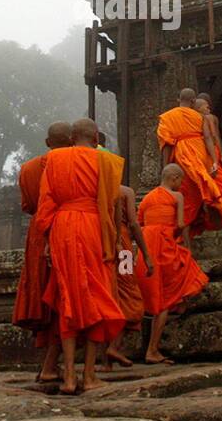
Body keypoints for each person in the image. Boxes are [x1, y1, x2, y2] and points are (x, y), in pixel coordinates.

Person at [37, 118, 126, 393]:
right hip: (92, 227)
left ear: (72, 138)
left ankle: (68, 378)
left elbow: (46, 203)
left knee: (68, 296)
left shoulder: (55, 159)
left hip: (62, 227)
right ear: (96, 137)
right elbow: (111, 205)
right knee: (96, 297)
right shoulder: (108, 162)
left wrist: (48, 240)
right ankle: (88, 375)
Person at [13, 121, 72, 382]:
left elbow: (27, 205)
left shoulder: (27, 169)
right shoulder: (71, 162)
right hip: (65, 228)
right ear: (71, 141)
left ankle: (47, 363)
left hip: (37, 233)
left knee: (42, 291)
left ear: (47, 142)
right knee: (62, 294)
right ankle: (50, 364)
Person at [136, 164, 209, 364]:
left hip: (146, 246)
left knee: (151, 296)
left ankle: (127, 348)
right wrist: (185, 244)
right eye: (181, 181)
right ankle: (152, 350)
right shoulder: (177, 197)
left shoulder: (147, 198)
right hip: (164, 244)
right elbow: (180, 224)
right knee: (169, 294)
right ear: (175, 178)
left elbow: (139, 223)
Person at [155, 88, 222, 236]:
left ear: (178, 100)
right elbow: (208, 138)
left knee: (186, 197)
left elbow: (166, 144)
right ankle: (212, 228)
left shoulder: (167, 118)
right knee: (205, 189)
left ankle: (187, 237)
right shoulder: (200, 117)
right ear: (194, 101)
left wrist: (166, 167)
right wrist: (215, 160)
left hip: (181, 160)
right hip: (201, 158)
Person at [103, 182, 153, 369]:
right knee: (129, 294)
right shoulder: (125, 192)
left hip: (101, 244)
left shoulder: (97, 189)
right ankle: (114, 347)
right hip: (123, 248)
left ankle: (105, 361)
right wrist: (146, 255)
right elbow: (133, 223)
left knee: (107, 296)